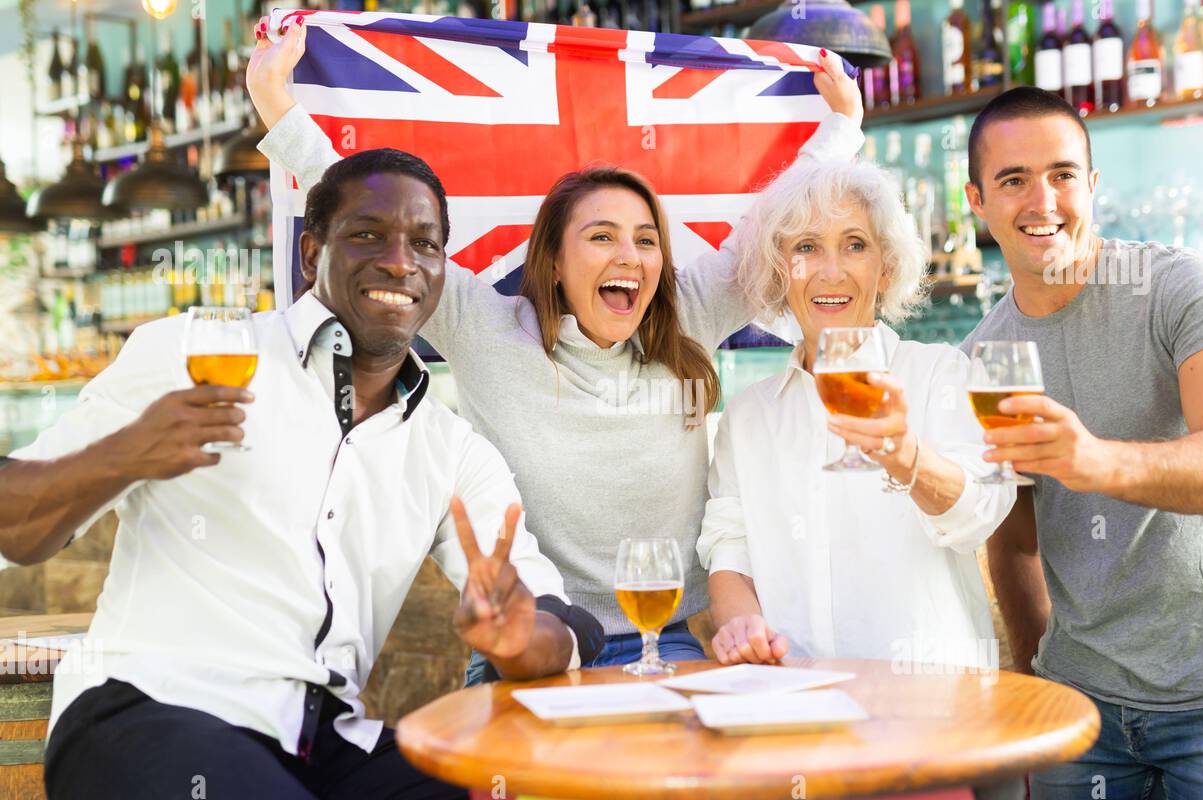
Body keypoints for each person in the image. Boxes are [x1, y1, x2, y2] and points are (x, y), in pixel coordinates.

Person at [246, 19, 866, 676]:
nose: (630, 255)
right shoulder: (486, 327)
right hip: (536, 642)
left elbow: (774, 225)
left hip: (668, 636)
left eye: (645, 239)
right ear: (554, 264)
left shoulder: (688, 313)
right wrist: (275, 101)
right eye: (601, 237)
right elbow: (370, 212)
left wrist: (841, 127)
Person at [0, 148, 603, 800]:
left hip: (326, 745)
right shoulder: (190, 356)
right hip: (150, 711)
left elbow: (555, 623)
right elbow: (16, 527)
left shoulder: (453, 449)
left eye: (424, 243)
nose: (400, 260)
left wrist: (519, 641)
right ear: (312, 253)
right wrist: (126, 453)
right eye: (369, 234)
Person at [962, 86, 1203, 800]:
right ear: (976, 200)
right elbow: (1013, 536)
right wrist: (1039, 675)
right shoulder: (982, 355)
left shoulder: (1185, 289)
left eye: (1061, 174)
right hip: (1082, 709)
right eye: (1013, 179)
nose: (1042, 199)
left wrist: (1094, 459)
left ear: (1092, 185)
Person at [698, 157, 1014, 675]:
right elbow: (729, 548)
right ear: (781, 269)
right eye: (805, 248)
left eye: (855, 245)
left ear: (885, 266)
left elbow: (980, 515)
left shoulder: (941, 375)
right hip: (794, 706)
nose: (830, 270)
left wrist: (903, 455)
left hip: (932, 711)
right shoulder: (748, 416)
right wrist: (740, 625)